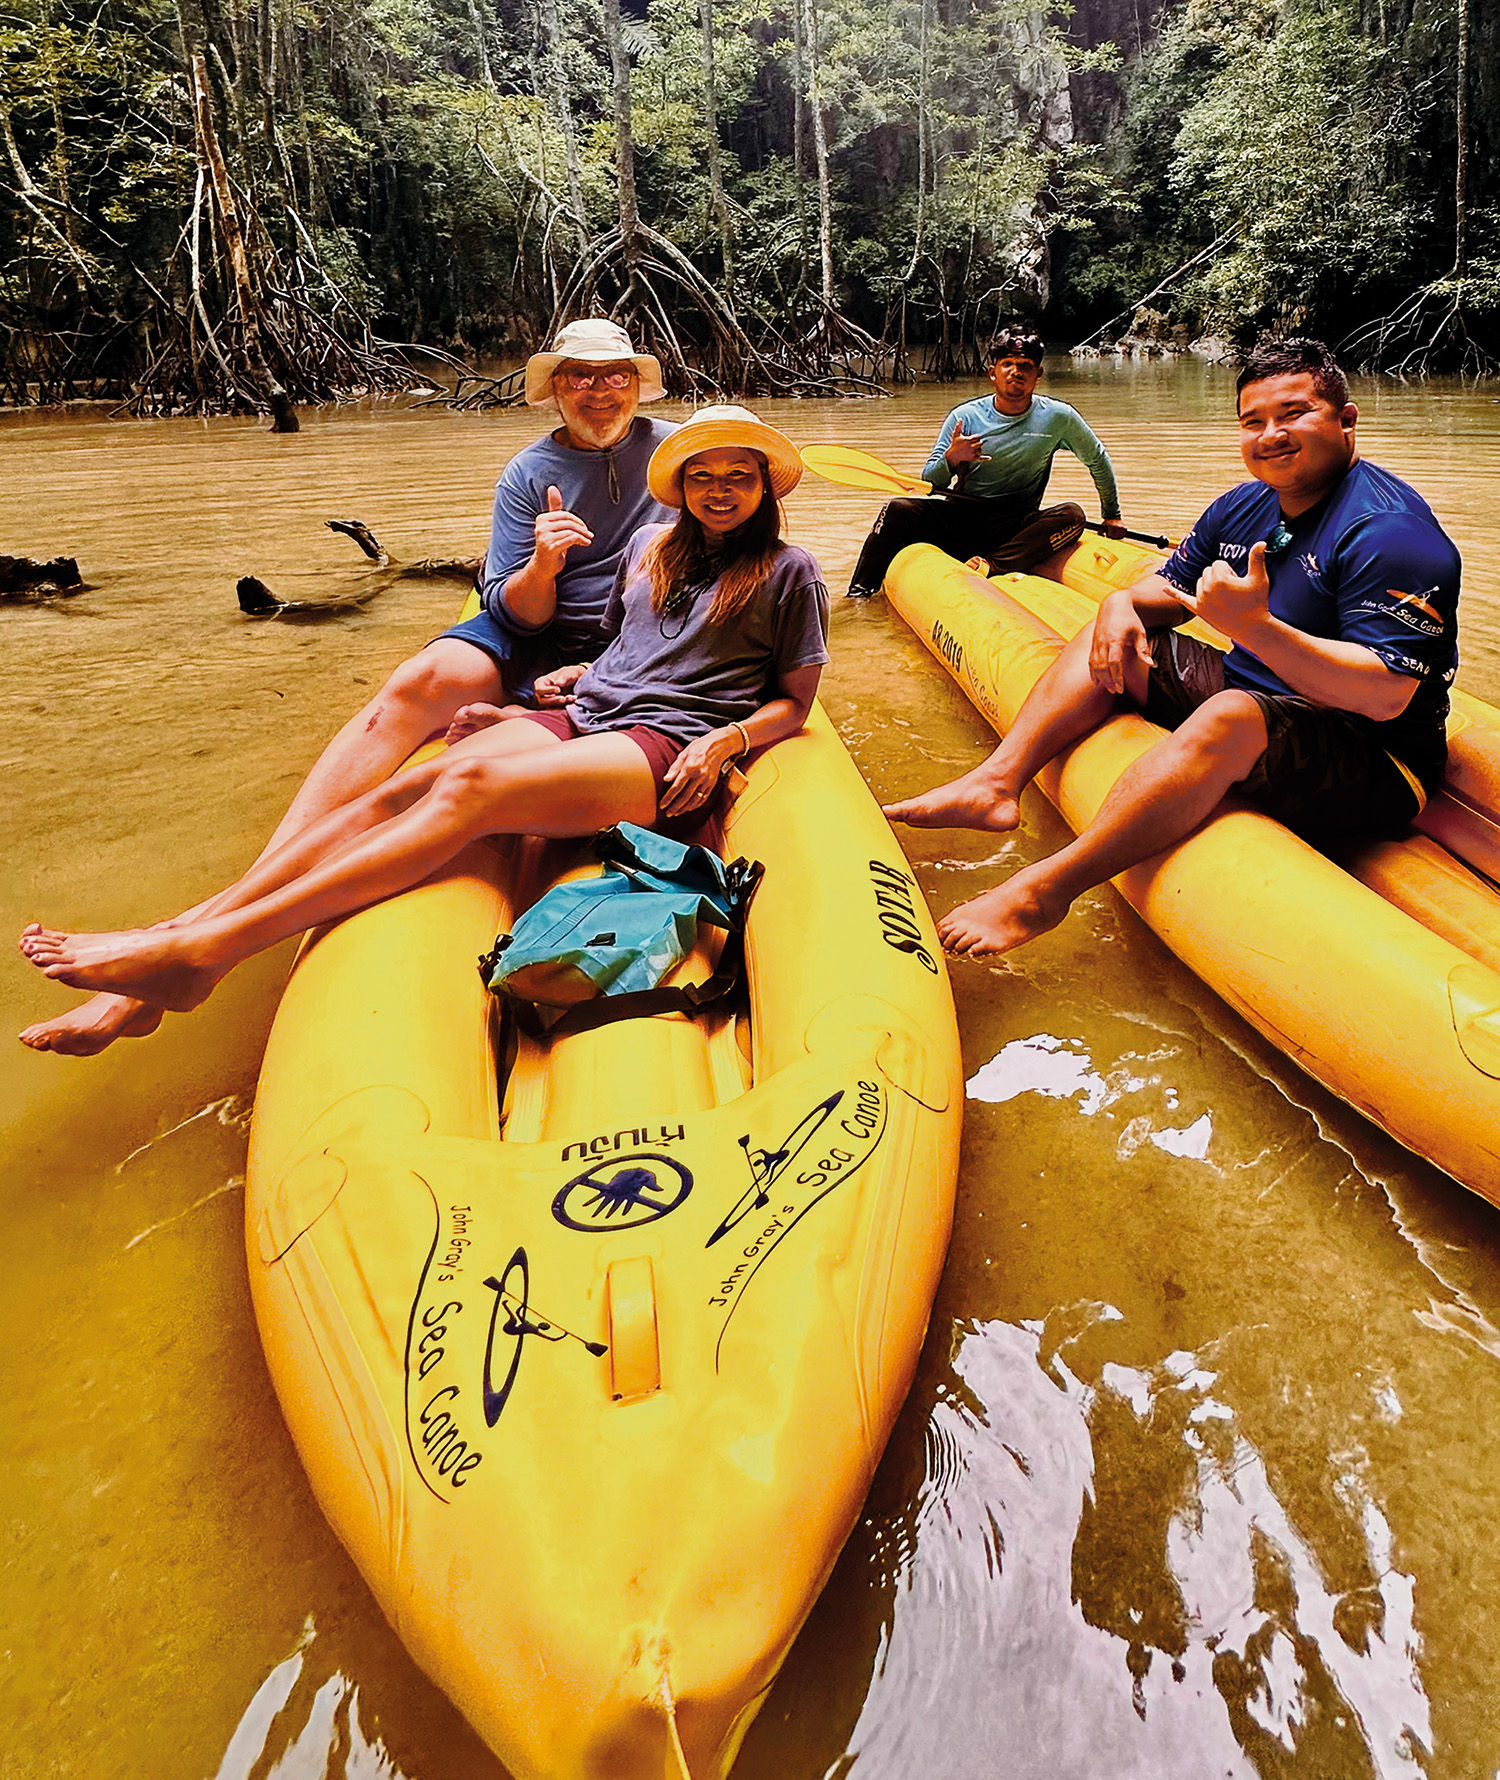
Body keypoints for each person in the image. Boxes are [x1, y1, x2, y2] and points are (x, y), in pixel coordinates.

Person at [18, 407, 830, 1018]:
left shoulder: (791, 572)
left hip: (662, 746)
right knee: (393, 792)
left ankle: (209, 952)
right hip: (588, 716)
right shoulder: (651, 549)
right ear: (681, 487)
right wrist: (560, 682)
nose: (719, 491)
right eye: (703, 476)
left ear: (764, 489)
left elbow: (794, 703)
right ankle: (183, 932)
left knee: (466, 784)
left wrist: (727, 739)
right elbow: (625, 645)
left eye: (739, 478)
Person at [21, 316, 677, 1055]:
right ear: (556, 388)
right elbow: (515, 612)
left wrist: (609, 667)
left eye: (614, 374)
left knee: (455, 777)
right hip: (534, 628)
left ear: (636, 382)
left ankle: (178, 946)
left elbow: (712, 592)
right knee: (421, 680)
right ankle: (198, 930)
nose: (599, 390)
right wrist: (544, 568)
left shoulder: (683, 458)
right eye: (581, 376)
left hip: (622, 641)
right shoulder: (529, 472)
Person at [885, 336, 1461, 958]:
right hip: (1259, 694)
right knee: (1117, 632)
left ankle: (1044, 891)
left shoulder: (1392, 533)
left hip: (1376, 756)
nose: (1271, 435)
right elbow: (1164, 588)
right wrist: (1117, 604)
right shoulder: (1245, 504)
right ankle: (997, 783)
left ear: (1347, 422)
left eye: (1293, 414)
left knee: (1230, 715)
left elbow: (1383, 696)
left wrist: (1256, 629)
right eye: (1253, 421)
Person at [845, 327, 1128, 599]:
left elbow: (1097, 459)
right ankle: (859, 593)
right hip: (961, 517)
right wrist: (952, 458)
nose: (1016, 372)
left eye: (1026, 365)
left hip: (1015, 524)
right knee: (896, 509)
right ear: (992, 371)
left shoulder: (1059, 417)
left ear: (1038, 374)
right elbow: (931, 482)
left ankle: (992, 565)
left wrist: (1111, 514)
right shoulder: (964, 417)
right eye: (1007, 363)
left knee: (1073, 515)